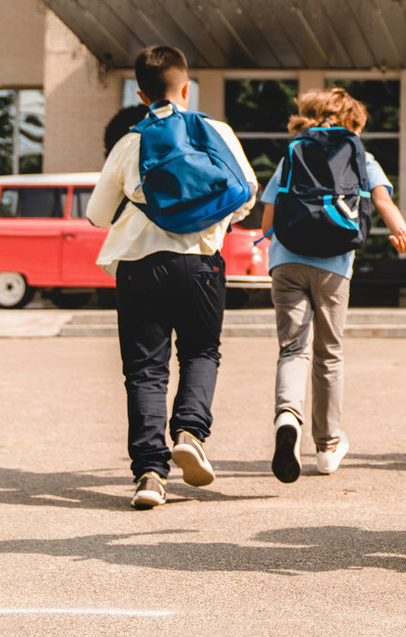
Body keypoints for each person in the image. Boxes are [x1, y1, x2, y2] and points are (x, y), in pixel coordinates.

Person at [87, 45, 258, 510]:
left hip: (139, 264)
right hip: (201, 262)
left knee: (145, 370)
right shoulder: (214, 131)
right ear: (187, 88)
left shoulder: (130, 141)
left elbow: (96, 215)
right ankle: (189, 432)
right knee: (201, 351)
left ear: (141, 93)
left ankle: (149, 474)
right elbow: (246, 192)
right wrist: (209, 222)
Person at [261, 87, 406, 483]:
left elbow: (268, 218)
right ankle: (327, 447)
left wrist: (274, 250)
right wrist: (402, 235)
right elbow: (382, 201)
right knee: (329, 354)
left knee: (292, 349)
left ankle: (287, 418)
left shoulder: (294, 150)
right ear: (353, 123)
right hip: (334, 265)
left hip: (287, 261)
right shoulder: (361, 155)